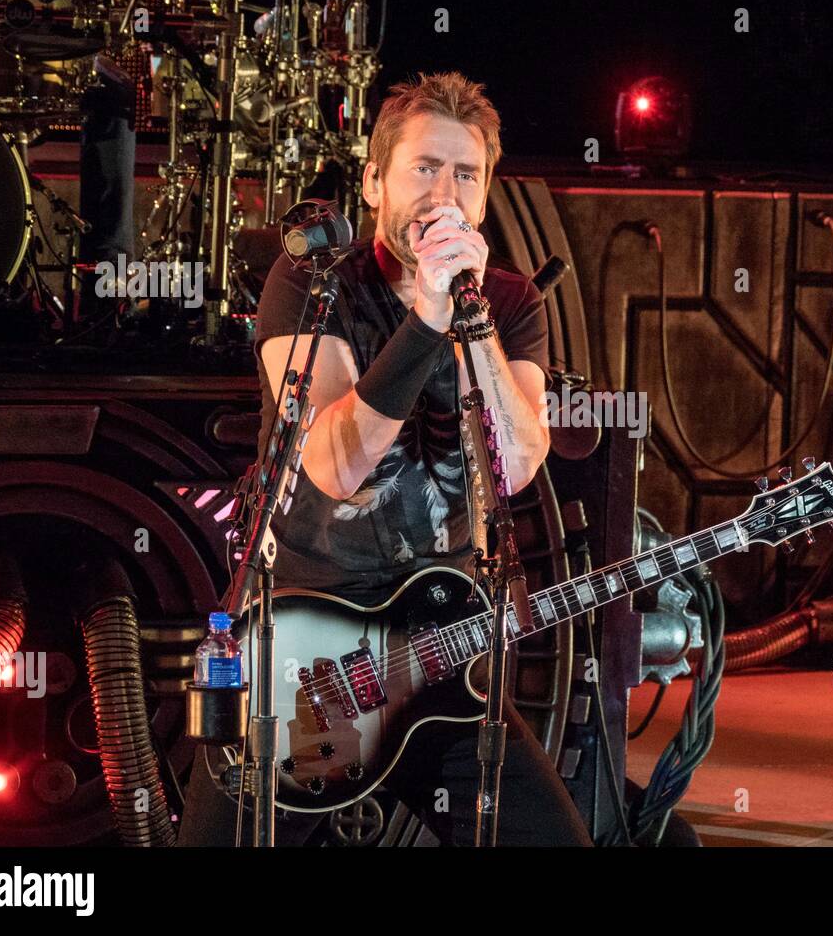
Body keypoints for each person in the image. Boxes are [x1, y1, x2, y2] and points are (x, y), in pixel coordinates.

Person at [177, 71, 593, 847]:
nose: (446, 191)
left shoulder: (505, 304)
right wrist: (425, 317)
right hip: (308, 648)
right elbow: (338, 467)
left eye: (465, 174)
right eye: (424, 168)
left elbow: (515, 464)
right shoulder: (313, 281)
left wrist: (466, 316)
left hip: (436, 649)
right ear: (374, 182)